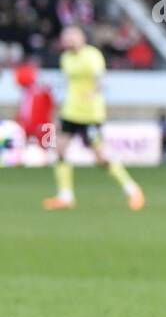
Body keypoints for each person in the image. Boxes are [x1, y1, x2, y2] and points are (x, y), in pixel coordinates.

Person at [41, 25, 145, 211]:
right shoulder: (65, 59)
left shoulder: (92, 55)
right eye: (67, 37)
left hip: (90, 114)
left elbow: (100, 80)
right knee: (60, 151)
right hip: (71, 112)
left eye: (73, 36)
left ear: (81, 38)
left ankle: (132, 189)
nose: (69, 40)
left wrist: (94, 92)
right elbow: (68, 84)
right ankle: (65, 196)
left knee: (101, 158)